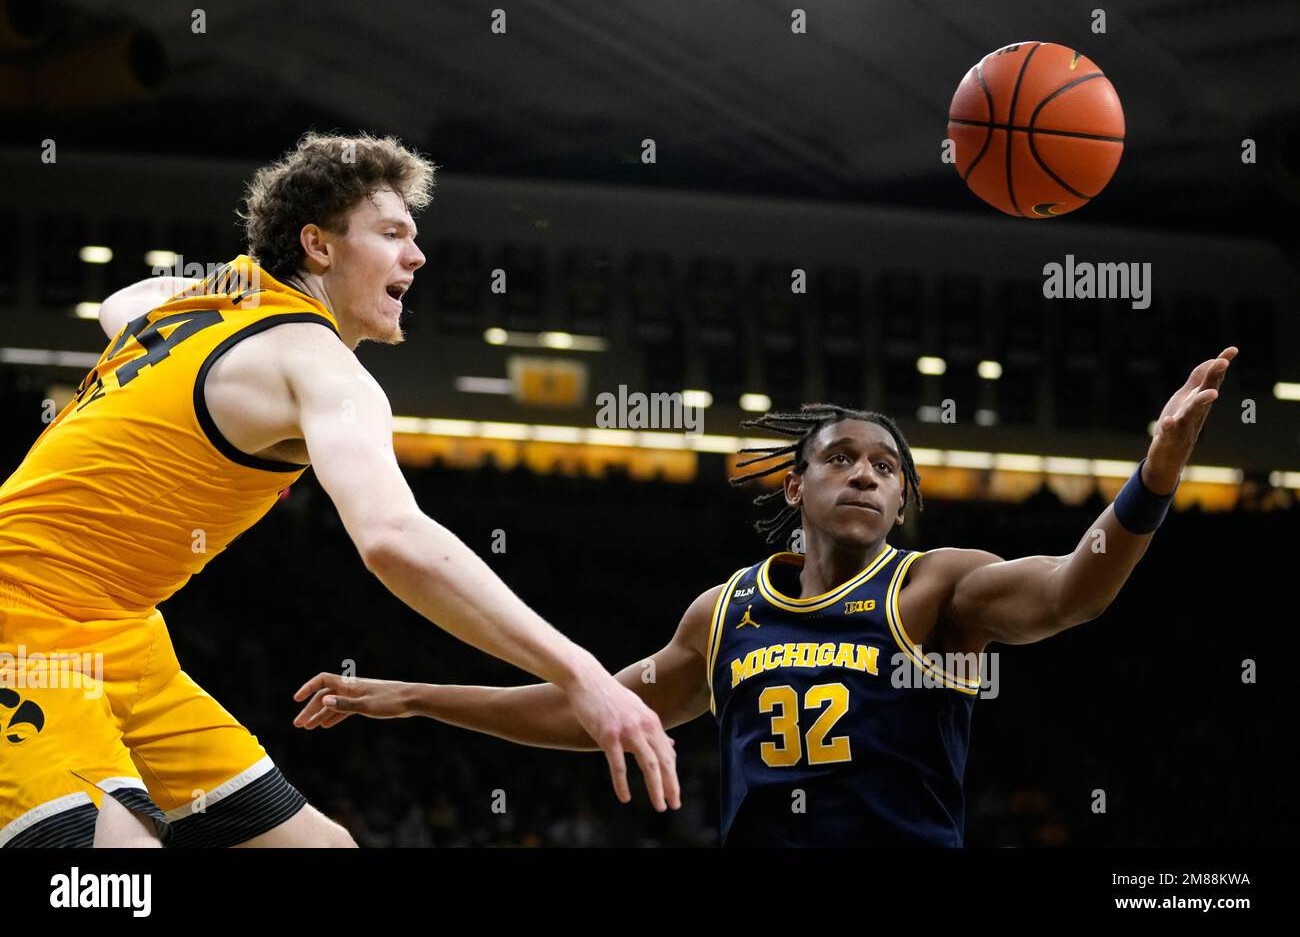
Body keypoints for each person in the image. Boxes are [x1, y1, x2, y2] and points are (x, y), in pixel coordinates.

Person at [0, 132, 678, 849]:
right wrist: (581, 674)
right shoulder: (326, 371)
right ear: (319, 248)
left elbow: (122, 300)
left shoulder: (203, 307)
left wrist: (200, 295)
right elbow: (392, 538)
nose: (416, 256)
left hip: (117, 632)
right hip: (19, 616)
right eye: (391, 234)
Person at [295, 347, 1236, 845]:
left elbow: (1075, 592)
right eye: (841, 459)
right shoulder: (726, 611)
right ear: (796, 488)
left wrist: (1155, 471)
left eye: (886, 467)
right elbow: (592, 714)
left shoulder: (936, 587)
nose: (866, 475)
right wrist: (417, 697)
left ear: (903, 499)